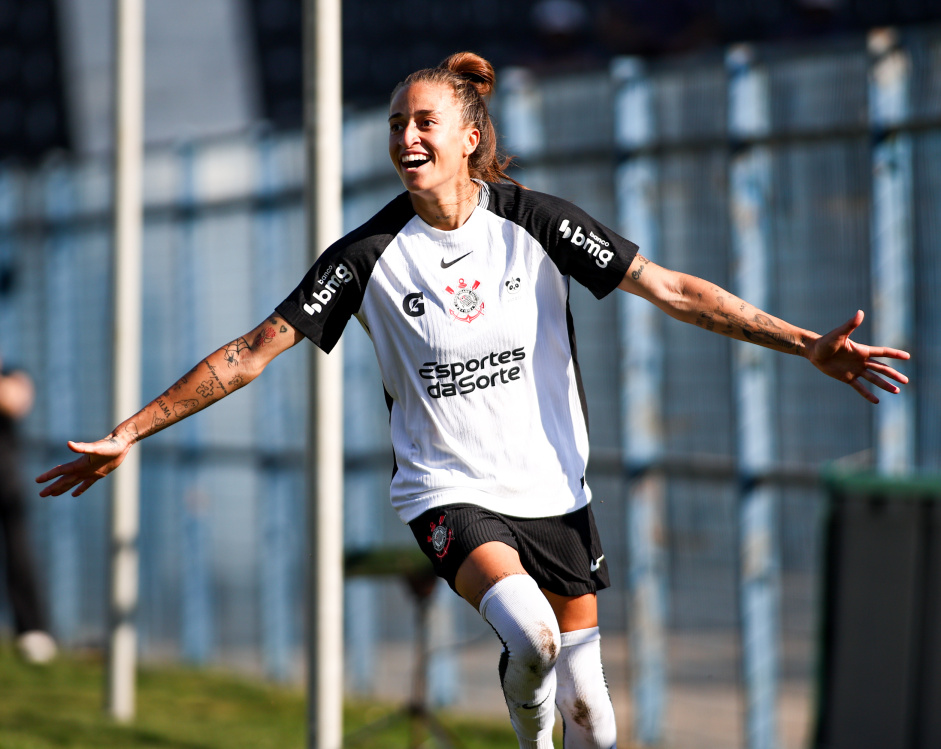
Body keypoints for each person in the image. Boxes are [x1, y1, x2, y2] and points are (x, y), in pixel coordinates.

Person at [36, 52, 909, 748]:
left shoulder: (534, 220)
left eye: (424, 121)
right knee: (527, 636)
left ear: (467, 137)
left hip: (557, 492)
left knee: (597, 721)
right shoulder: (367, 254)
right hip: (447, 493)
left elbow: (673, 290)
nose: (405, 138)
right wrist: (129, 431)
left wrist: (806, 346)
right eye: (395, 125)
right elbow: (249, 353)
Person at [0, 352, 57, 664]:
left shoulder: (12, 370)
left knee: (19, 555)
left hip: (5, 481)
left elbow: (17, 399)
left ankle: (32, 631)